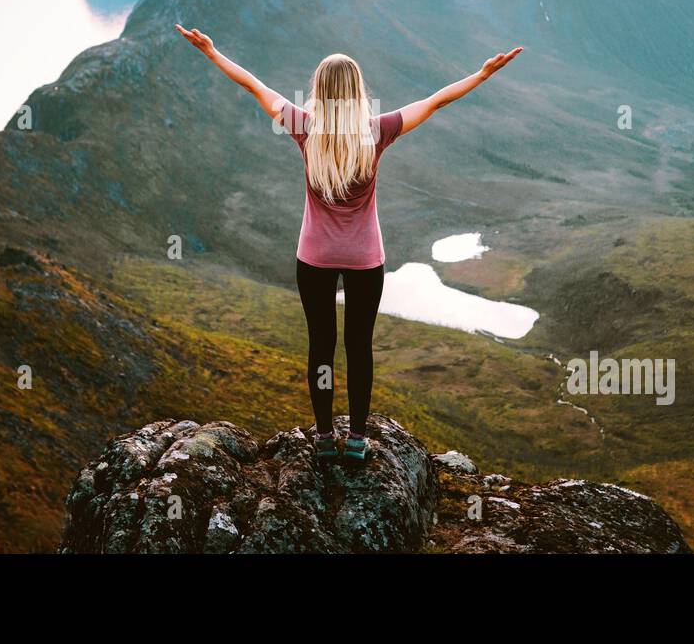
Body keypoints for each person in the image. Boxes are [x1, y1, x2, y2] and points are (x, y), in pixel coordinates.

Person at [175, 24, 522, 461]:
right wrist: (483, 73)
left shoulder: (303, 127)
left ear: (318, 91)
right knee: (359, 346)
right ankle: (357, 439)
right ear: (358, 91)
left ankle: (323, 437)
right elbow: (436, 100)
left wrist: (211, 50)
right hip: (364, 259)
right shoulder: (377, 131)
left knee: (321, 345)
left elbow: (251, 84)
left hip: (315, 257)